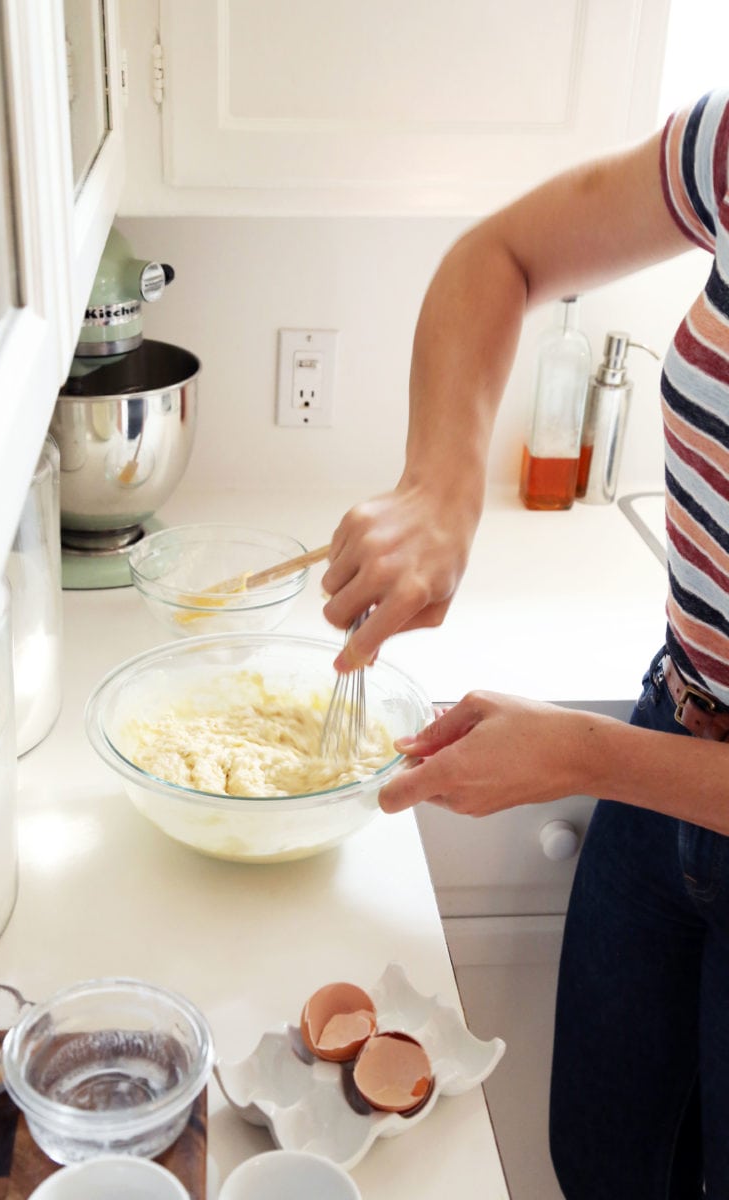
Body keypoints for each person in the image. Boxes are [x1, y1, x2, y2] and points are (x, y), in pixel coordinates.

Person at [321, 88, 729, 1199]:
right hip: (674, 734)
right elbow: (498, 257)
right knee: (595, 1165)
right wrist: (440, 493)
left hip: (647, 769)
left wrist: (587, 757)